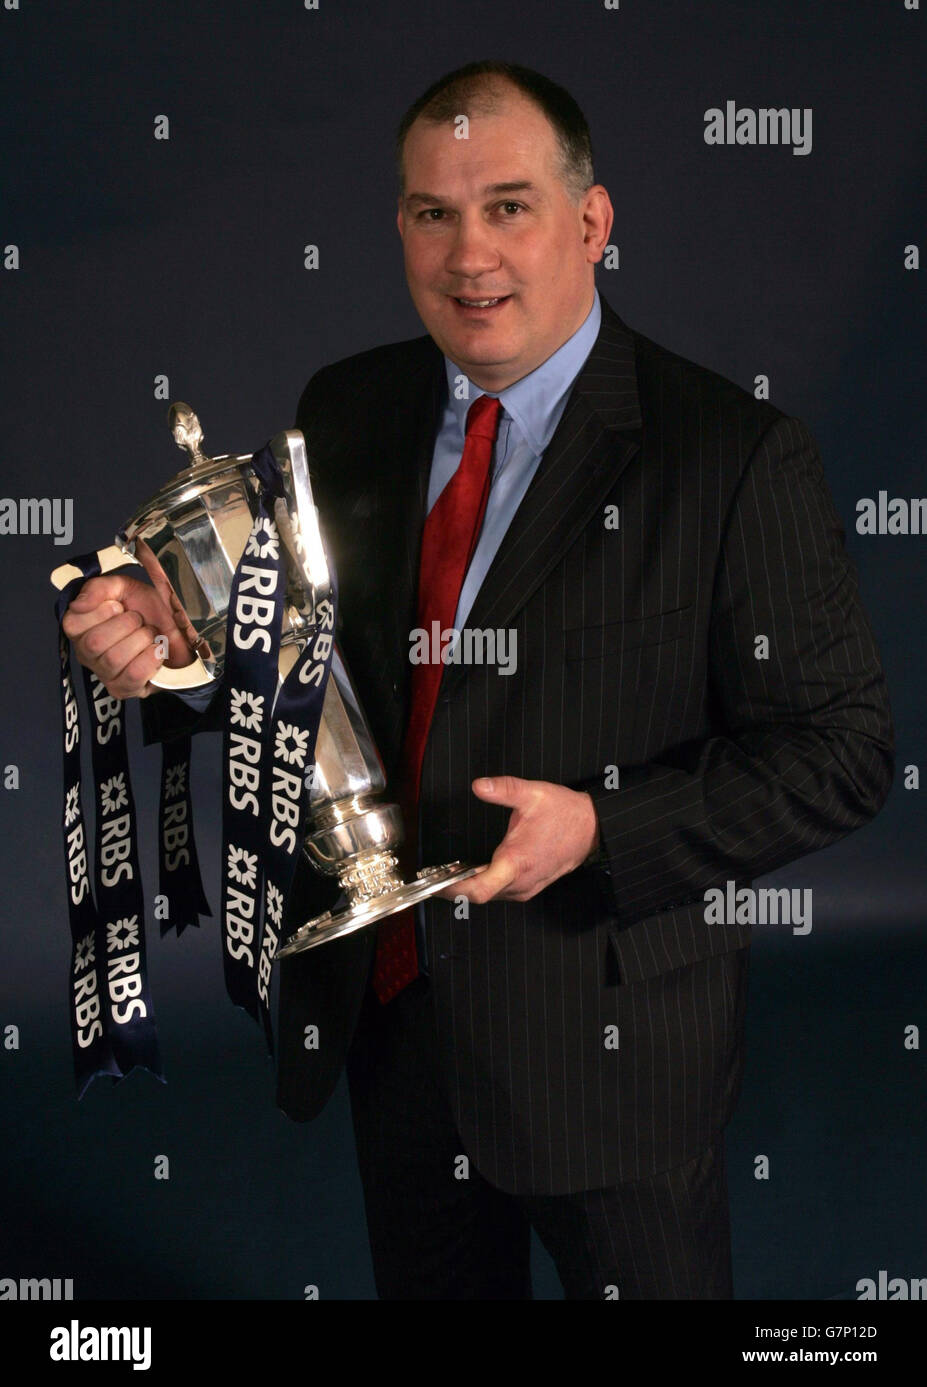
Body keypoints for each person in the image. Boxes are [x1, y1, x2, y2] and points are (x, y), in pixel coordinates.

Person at [62, 60, 894, 1300]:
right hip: (392, 1022)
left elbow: (844, 751)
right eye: (432, 212)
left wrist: (606, 826)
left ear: (593, 223)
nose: (469, 255)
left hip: (607, 1056)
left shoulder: (730, 452)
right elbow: (301, 675)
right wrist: (174, 645)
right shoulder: (345, 409)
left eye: (508, 205)